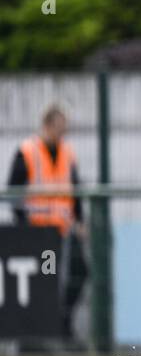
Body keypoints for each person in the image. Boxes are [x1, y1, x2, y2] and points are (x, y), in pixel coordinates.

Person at [8, 105, 88, 341]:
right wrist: (25, 226)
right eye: (60, 128)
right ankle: (44, 335)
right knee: (48, 281)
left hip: (63, 230)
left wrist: (80, 220)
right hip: (41, 234)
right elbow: (14, 193)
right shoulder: (28, 151)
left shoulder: (67, 153)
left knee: (79, 272)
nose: (63, 134)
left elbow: (75, 189)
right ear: (47, 126)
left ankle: (62, 322)